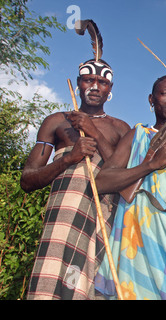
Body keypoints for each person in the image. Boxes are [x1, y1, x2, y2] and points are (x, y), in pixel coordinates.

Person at [94, 75, 166, 300]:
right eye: (165, 93)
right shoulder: (137, 135)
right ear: (151, 99)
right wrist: (151, 165)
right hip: (139, 240)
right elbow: (102, 181)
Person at [20, 58, 131, 299]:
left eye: (102, 82)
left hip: (101, 221)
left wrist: (94, 131)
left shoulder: (121, 128)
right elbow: (27, 180)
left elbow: (124, 178)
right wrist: (68, 159)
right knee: (50, 284)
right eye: (89, 80)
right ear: (78, 83)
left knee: (88, 285)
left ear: (110, 89)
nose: (95, 86)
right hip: (62, 220)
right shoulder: (56, 122)